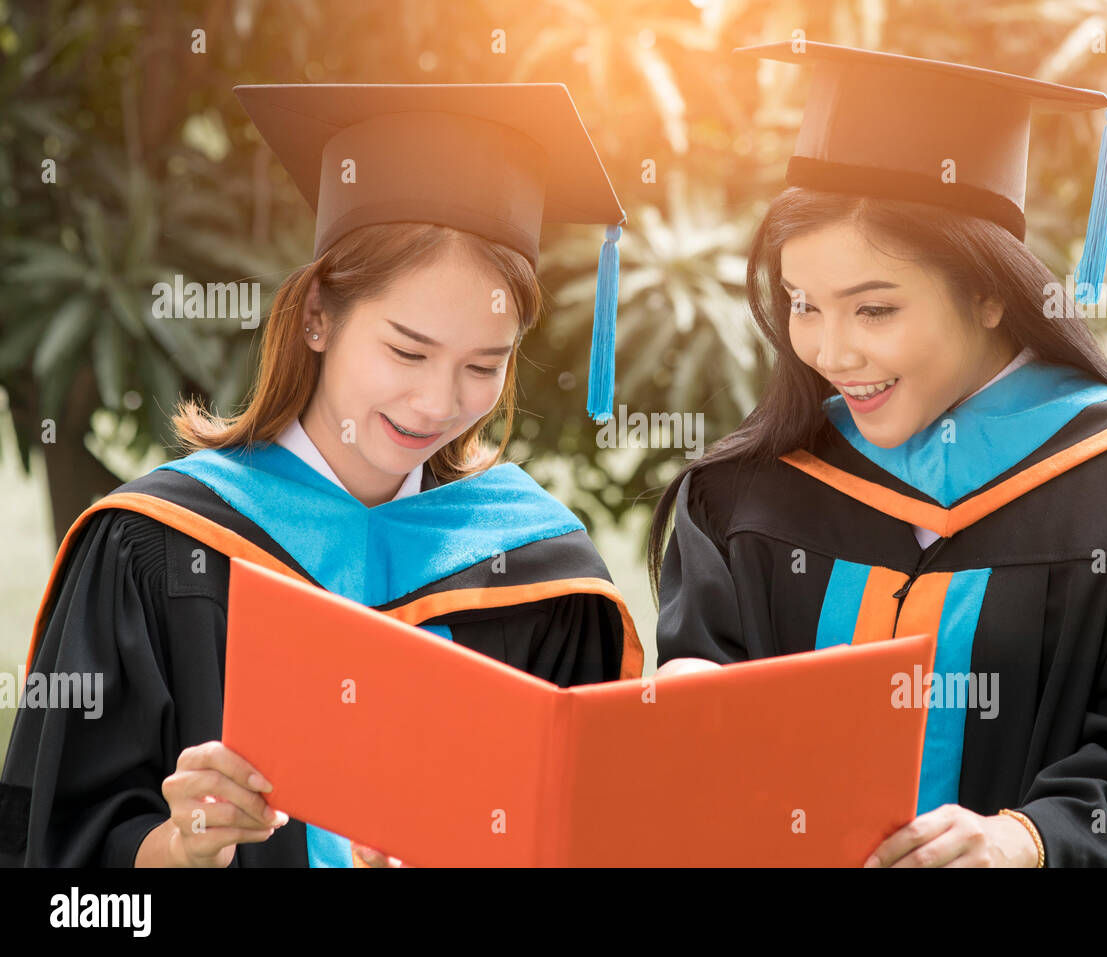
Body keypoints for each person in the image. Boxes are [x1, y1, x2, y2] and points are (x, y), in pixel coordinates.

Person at [649, 41, 1107, 867]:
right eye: (804, 305)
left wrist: (1029, 839)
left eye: (874, 310)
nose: (830, 351)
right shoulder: (746, 496)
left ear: (988, 290)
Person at [0, 83, 643, 868]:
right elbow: (60, 862)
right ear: (316, 318)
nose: (438, 401)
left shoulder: (540, 577)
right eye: (407, 351)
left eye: (484, 364)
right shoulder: (158, 547)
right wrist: (177, 848)